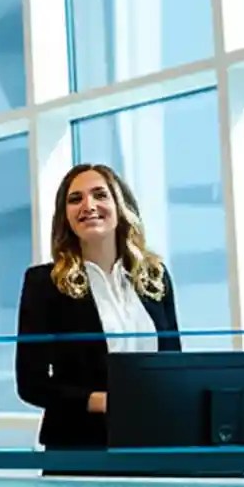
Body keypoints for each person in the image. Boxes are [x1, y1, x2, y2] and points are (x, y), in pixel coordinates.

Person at [16, 163, 180, 450]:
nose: (88, 205)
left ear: (120, 205)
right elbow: (31, 384)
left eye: (100, 195)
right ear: (65, 216)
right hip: (81, 447)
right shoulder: (44, 284)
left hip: (154, 442)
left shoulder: (155, 278)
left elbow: (175, 366)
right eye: (75, 199)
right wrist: (101, 401)